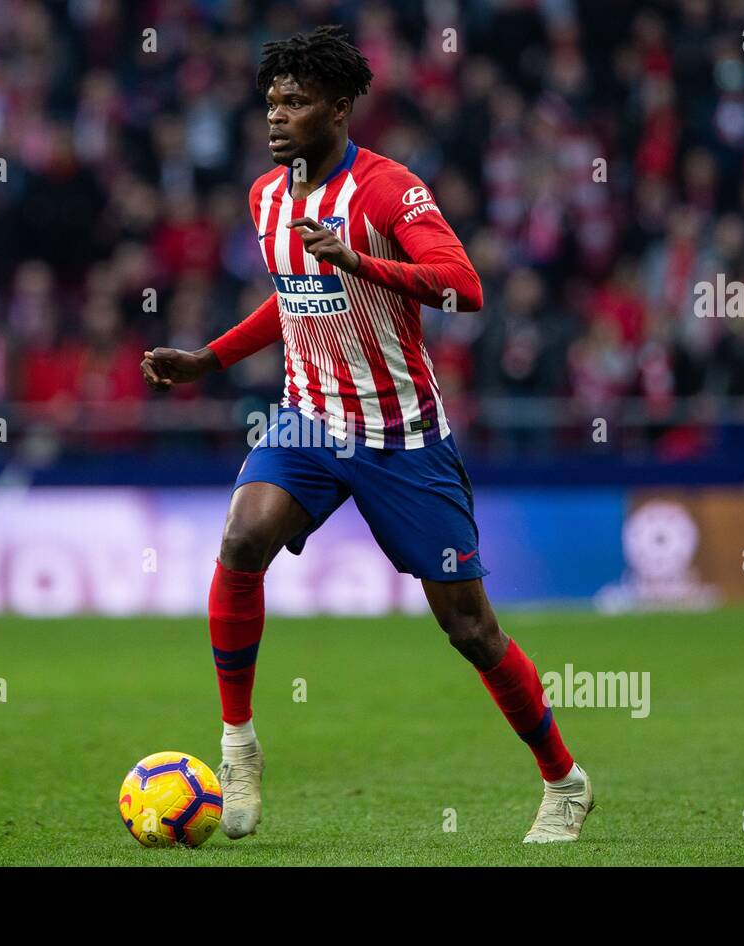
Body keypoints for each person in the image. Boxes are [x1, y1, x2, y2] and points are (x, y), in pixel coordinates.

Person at [140, 25, 592, 845]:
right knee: (243, 539)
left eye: (298, 101)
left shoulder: (388, 191)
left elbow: (464, 289)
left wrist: (358, 260)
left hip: (401, 436)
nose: (278, 117)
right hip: (308, 418)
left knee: (470, 629)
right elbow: (291, 295)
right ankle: (237, 746)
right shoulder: (266, 195)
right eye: (272, 101)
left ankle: (563, 778)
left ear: (341, 108)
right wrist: (209, 358)